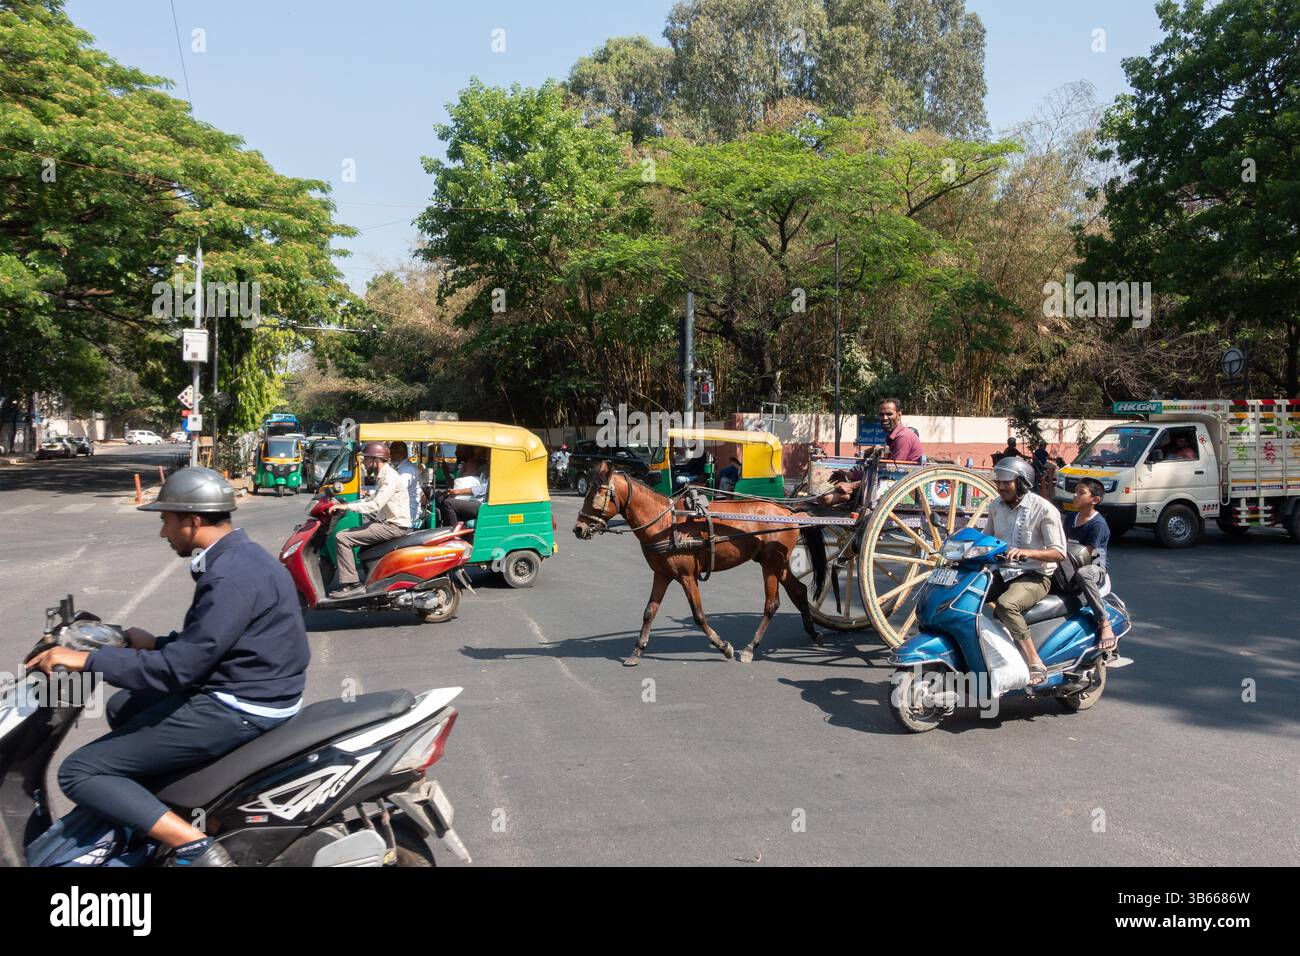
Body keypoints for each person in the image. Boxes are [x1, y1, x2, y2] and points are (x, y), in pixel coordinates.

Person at [27, 467, 310, 867]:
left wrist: (86, 660)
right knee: (123, 707)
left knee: (81, 771)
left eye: (167, 521)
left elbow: (176, 671)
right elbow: (218, 645)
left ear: (192, 521)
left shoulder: (229, 575)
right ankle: (154, 805)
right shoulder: (242, 558)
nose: (164, 533)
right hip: (256, 687)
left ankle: (195, 846)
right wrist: (155, 643)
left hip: (240, 706)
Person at [986, 455, 1066, 686]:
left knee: (1006, 605)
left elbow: (1058, 552)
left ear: (1021, 483)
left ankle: (1034, 661)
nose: (1000, 487)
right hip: (1002, 572)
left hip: (1034, 576)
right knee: (964, 595)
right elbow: (986, 540)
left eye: (1006, 483)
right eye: (998, 482)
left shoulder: (1043, 509)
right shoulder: (995, 506)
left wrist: (1027, 552)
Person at [328, 442, 413, 598]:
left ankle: (352, 585)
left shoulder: (389, 477)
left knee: (343, 537)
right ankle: (370, 582)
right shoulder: (384, 475)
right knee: (361, 547)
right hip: (386, 523)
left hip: (393, 526)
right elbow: (373, 498)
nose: (364, 463)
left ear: (376, 460)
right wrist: (347, 504)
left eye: (366, 460)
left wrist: (347, 507)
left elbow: (375, 505)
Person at [819, 398, 924, 506]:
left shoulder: (903, 437)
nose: (884, 418)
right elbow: (882, 471)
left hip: (900, 489)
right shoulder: (894, 437)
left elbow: (891, 475)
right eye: (881, 415)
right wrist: (849, 475)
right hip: (888, 484)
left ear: (899, 414)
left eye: (889, 414)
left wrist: (852, 486)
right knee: (825, 497)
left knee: (827, 499)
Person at [1061, 478, 1116, 651]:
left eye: (1081, 493)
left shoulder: (1098, 524)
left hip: (1094, 566)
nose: (1075, 496)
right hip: (1070, 561)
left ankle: (1104, 623)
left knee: (1083, 574)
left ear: (1095, 500)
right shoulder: (1070, 519)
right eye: (1075, 492)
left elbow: (1087, 554)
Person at [389, 440, 423, 527]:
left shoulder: (408, 470)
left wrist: (369, 493)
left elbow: (395, 489)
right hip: (399, 509)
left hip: (407, 513)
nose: (390, 455)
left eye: (393, 452)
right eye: (390, 452)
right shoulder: (399, 468)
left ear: (403, 453)